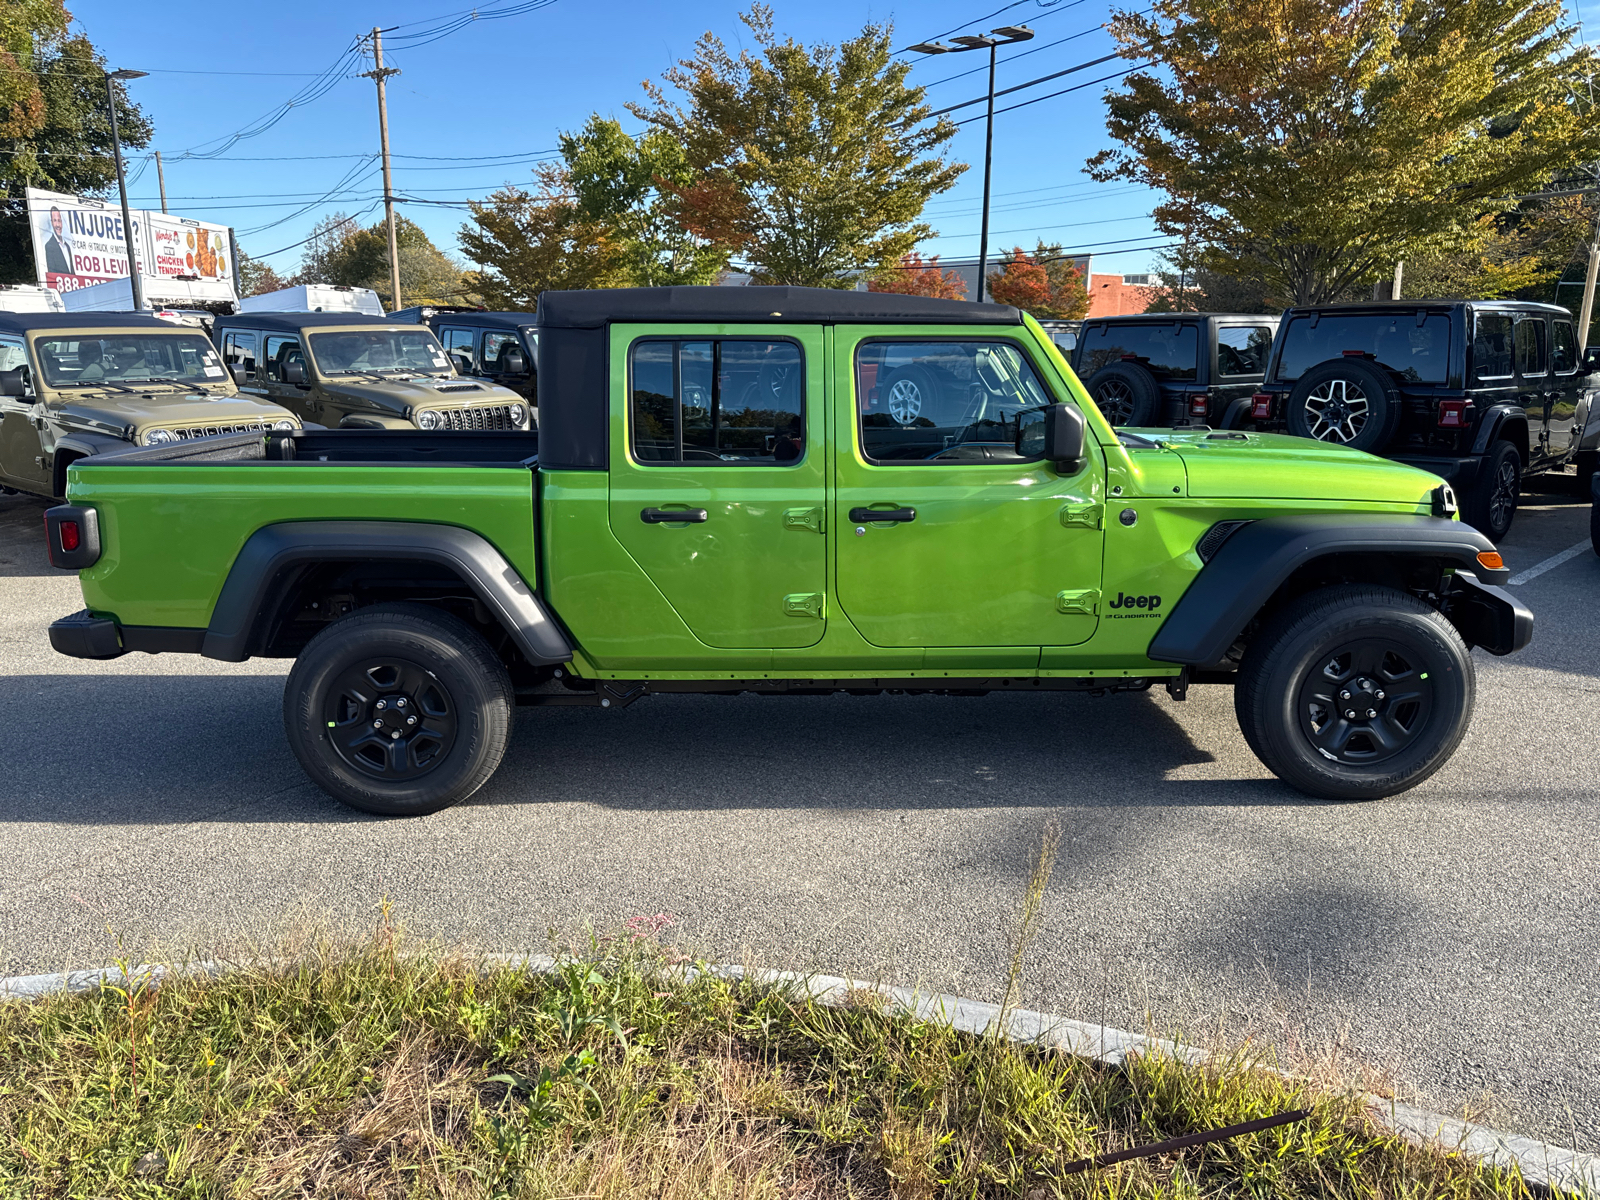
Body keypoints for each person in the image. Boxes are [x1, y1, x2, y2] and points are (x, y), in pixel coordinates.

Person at [42, 207, 73, 276]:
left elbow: (72, 272)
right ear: (51, 222)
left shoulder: (67, 246)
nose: (58, 225)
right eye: (55, 220)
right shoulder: (49, 246)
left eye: (59, 221)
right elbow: (52, 273)